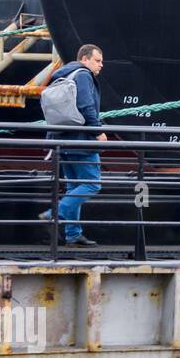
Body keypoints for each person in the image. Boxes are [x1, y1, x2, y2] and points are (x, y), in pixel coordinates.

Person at [39, 44, 107, 245]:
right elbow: (86, 105)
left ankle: (73, 234)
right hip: (81, 140)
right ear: (84, 59)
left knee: (74, 187)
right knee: (92, 184)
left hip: (62, 139)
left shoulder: (63, 75)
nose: (101, 65)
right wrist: (98, 130)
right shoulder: (84, 75)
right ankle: (54, 213)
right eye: (98, 60)